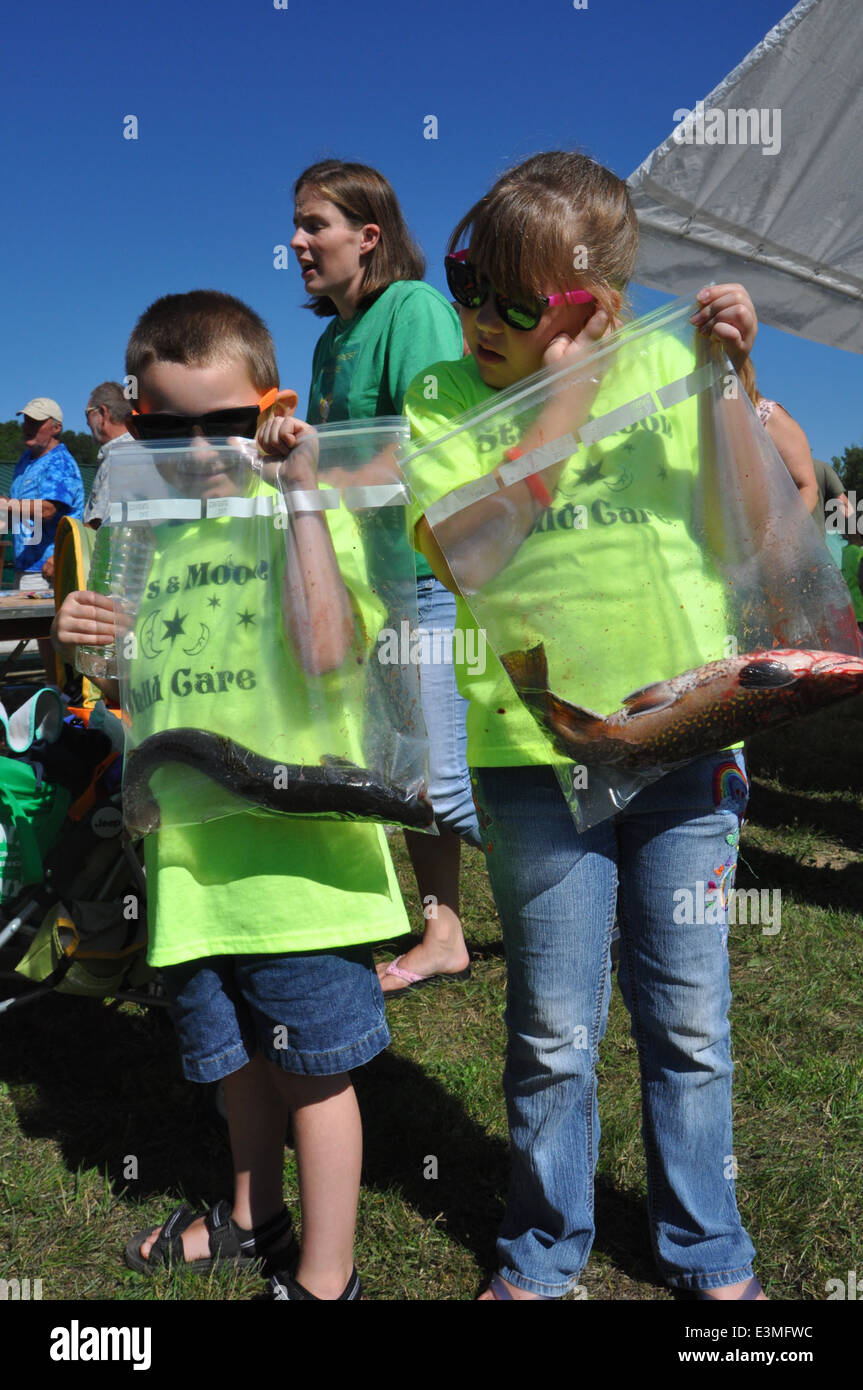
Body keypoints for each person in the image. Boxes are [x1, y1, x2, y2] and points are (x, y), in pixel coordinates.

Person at [401, 151, 767, 1300]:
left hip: (684, 737)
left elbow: (750, 528)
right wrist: (562, 382)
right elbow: (468, 549)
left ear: (595, 303)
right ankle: (542, 1246)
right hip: (536, 756)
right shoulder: (444, 395)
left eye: (513, 303)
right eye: (468, 283)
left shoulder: (665, 361)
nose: (476, 318)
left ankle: (705, 1249)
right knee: (554, 1030)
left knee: (689, 1019)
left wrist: (728, 387)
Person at [52, 290, 410, 1301]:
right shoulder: (158, 546)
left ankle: (327, 1275)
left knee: (313, 1076)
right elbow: (129, 685)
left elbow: (329, 651)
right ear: (134, 426)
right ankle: (255, 1217)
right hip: (195, 868)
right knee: (233, 1068)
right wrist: (70, 635)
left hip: (301, 869)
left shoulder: (308, 516)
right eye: (170, 427)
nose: (200, 449)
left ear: (273, 408)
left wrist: (298, 492)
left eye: (227, 423)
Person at [291, 160, 481, 995]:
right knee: (407, 774)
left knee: (444, 778)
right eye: (296, 226)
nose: (296, 242)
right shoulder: (330, 339)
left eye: (314, 225)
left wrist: (313, 478)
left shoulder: (414, 309)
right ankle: (442, 930)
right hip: (369, 588)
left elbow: (434, 441)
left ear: (369, 235)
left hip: (431, 575)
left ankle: (596, 879)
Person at [2, 398, 84, 589]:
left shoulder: (60, 462)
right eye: (26, 421)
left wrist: (5, 504)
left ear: (56, 428)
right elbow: (20, 513)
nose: (27, 427)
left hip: (49, 571)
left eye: (36, 422)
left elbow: (48, 511)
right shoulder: (25, 461)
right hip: (24, 567)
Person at [737, 363, 819, 517]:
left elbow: (808, 488)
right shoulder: (707, 420)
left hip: (766, 534)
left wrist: (781, 538)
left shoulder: (766, 414)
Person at [84, 382, 134, 527]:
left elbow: (96, 526)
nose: (86, 422)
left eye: (87, 413)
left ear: (103, 413)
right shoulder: (136, 449)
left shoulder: (119, 457)